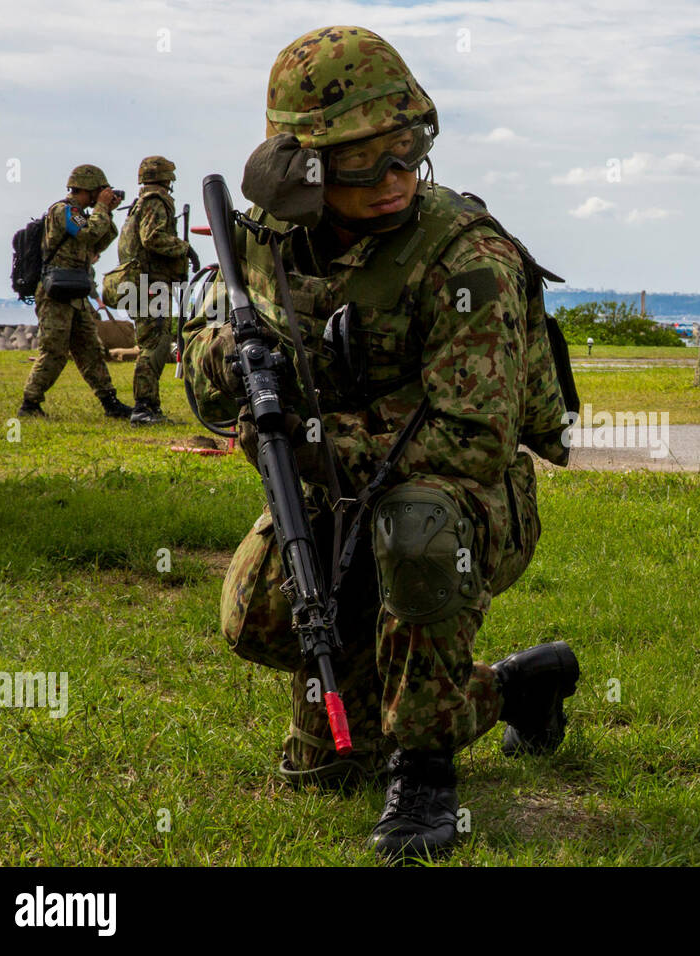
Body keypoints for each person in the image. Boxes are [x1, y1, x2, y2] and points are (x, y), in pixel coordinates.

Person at [182, 25, 580, 863]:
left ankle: (425, 770)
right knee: (260, 622)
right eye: (364, 163)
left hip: (463, 508)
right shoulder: (261, 242)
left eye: (410, 149)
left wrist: (308, 432)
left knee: (416, 527)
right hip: (334, 500)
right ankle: (514, 689)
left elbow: (469, 443)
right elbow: (198, 367)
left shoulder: (463, 254)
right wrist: (228, 360)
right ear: (304, 168)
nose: (396, 178)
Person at [17, 165, 133, 419]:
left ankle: (110, 402)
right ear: (87, 188)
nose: (102, 195)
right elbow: (87, 232)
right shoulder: (64, 211)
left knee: (91, 349)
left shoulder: (81, 213)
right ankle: (30, 404)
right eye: (100, 191)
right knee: (55, 351)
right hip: (56, 294)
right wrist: (102, 209)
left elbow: (98, 240)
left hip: (76, 293)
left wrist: (107, 212)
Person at [106, 155, 199, 425]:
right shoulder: (155, 202)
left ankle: (149, 406)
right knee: (155, 345)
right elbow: (152, 237)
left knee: (153, 343)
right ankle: (144, 408)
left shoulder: (139, 203)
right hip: (149, 284)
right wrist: (184, 248)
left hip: (144, 283)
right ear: (168, 178)